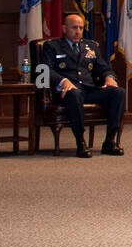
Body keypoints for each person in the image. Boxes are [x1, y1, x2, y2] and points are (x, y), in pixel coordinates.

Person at [44, 12, 126, 157]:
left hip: (89, 89)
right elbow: (43, 71)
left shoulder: (90, 46)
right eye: (74, 28)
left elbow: (103, 67)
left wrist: (109, 77)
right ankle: (80, 142)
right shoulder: (52, 46)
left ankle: (109, 142)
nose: (78, 32)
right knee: (74, 94)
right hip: (68, 92)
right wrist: (63, 81)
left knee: (118, 92)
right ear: (64, 29)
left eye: (81, 28)